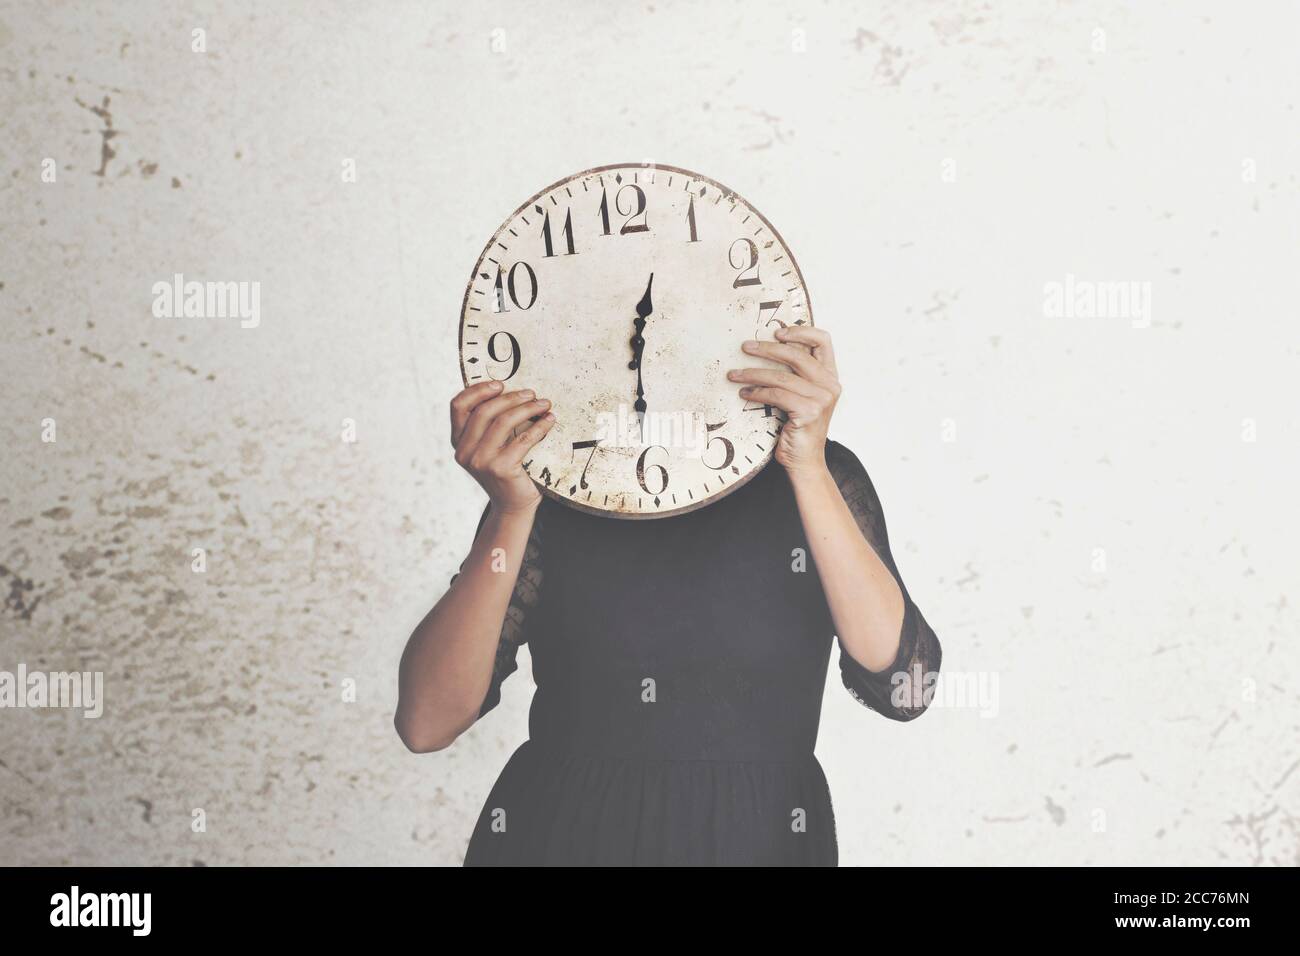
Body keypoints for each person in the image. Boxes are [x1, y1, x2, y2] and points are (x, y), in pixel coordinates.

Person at [395, 325, 941, 865]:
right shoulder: (552, 483)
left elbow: (903, 687)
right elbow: (426, 723)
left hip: (757, 842)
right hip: (564, 837)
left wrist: (808, 465)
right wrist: (512, 510)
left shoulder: (813, 477)